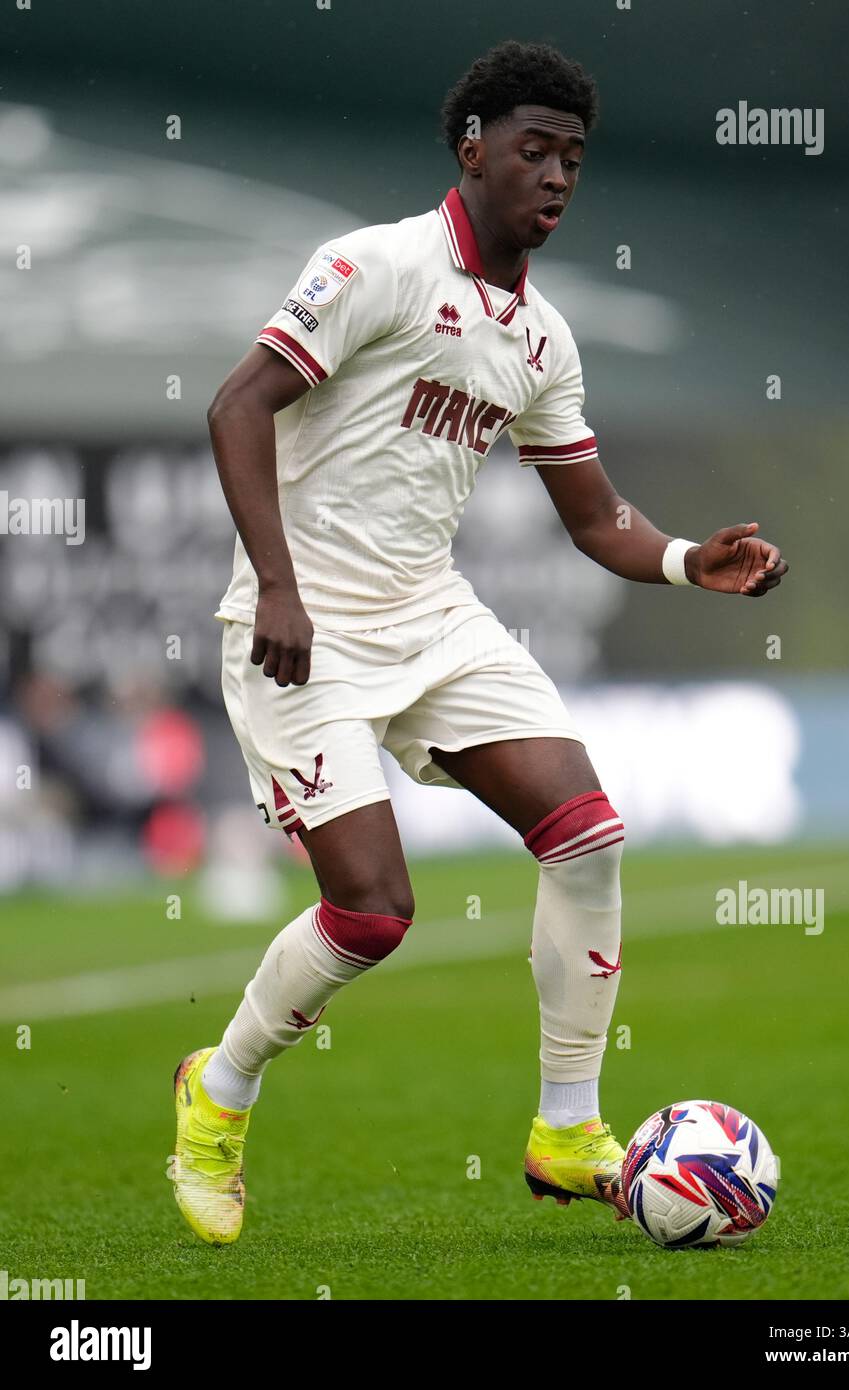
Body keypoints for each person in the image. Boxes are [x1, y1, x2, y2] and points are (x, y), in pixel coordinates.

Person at [173, 40, 788, 1245]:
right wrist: (282, 586)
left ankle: (565, 1130)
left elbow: (593, 513)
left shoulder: (541, 337)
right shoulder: (373, 265)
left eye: (571, 157)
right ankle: (220, 1090)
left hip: (435, 619)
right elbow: (236, 405)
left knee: (587, 833)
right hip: (301, 628)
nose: (555, 175)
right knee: (371, 915)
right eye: (532, 149)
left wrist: (678, 560)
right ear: (471, 148)